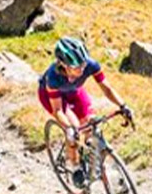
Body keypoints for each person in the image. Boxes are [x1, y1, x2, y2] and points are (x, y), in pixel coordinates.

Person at [38, 37, 133, 186]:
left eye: (83, 65)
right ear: (63, 65)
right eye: (77, 67)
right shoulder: (53, 78)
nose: (82, 70)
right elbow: (57, 110)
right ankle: (74, 166)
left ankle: (94, 161)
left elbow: (107, 88)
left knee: (91, 123)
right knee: (74, 128)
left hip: (74, 91)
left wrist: (123, 105)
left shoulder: (90, 65)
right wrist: (69, 128)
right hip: (52, 97)